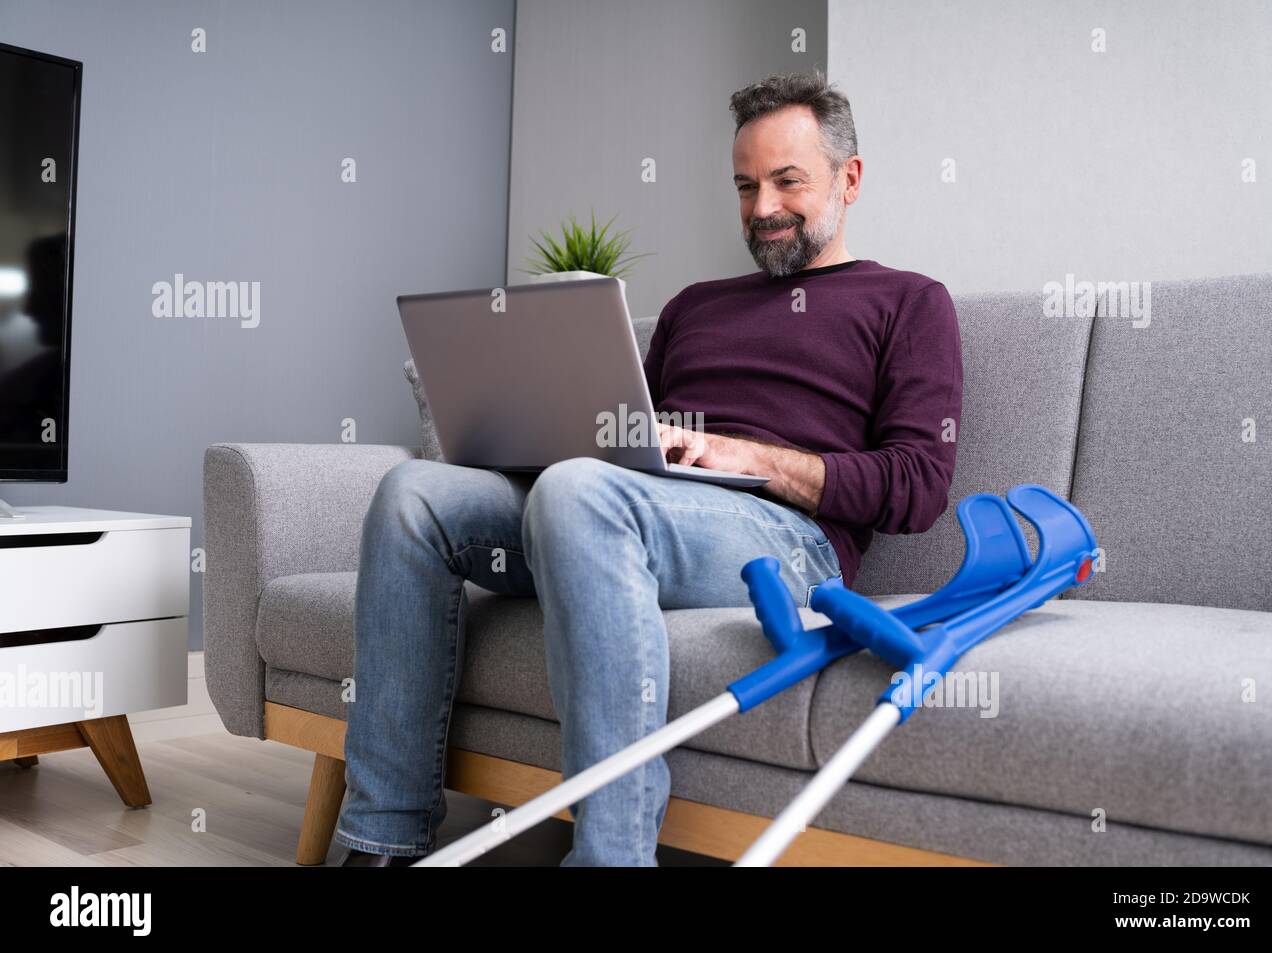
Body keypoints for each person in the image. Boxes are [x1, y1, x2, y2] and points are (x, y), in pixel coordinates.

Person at [334, 68, 962, 866]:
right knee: (411, 493)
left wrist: (746, 455)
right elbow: (627, 435)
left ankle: (614, 857)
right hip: (625, 513)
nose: (762, 207)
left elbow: (917, 485)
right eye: (745, 185)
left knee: (578, 494)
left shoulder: (909, 302)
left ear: (851, 178)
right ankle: (380, 839)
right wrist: (547, 428)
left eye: (786, 181)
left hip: (787, 540)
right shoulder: (697, 304)